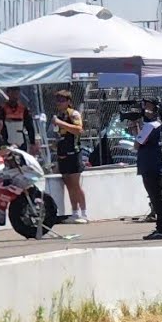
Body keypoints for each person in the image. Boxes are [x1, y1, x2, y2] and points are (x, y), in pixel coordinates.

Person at [134, 97, 162, 241]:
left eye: (148, 106)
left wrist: (137, 127)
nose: (145, 109)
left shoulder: (151, 126)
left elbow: (137, 144)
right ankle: (161, 229)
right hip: (152, 165)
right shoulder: (156, 125)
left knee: (157, 198)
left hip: (150, 166)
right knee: (157, 197)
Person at [53, 89, 87, 223]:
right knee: (68, 184)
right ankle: (74, 213)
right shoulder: (59, 115)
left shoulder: (73, 114)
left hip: (74, 153)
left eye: (62, 100)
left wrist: (60, 123)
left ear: (68, 101)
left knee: (75, 184)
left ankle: (84, 213)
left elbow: (79, 130)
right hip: (63, 154)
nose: (59, 103)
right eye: (57, 100)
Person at [0, 86, 38, 154]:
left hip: (20, 139)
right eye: (12, 92)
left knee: (22, 157)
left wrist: (32, 142)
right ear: (8, 93)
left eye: (16, 93)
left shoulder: (23, 109)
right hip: (7, 139)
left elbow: (29, 127)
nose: (15, 95)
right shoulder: (3, 109)